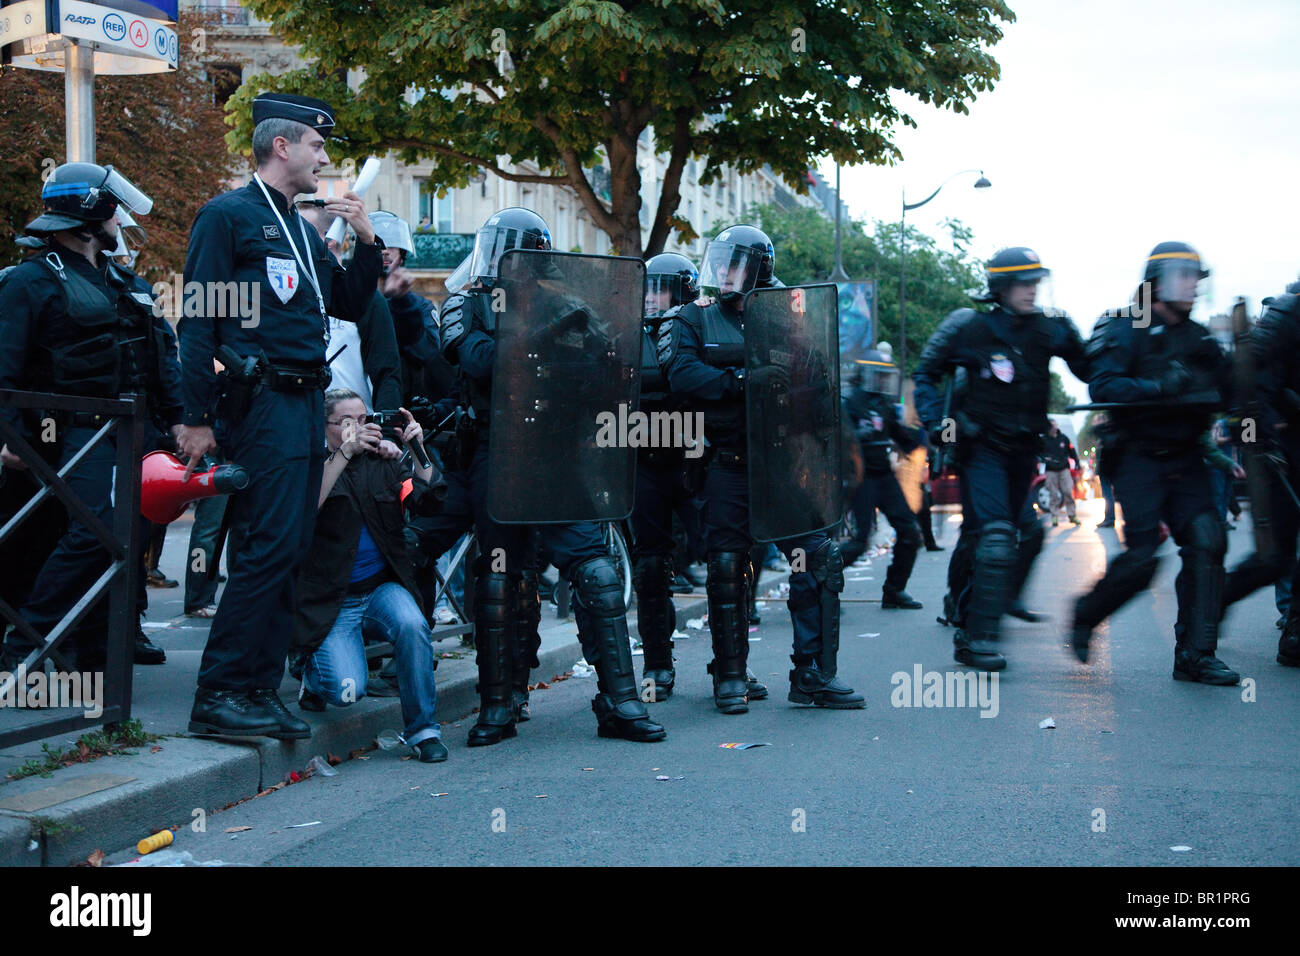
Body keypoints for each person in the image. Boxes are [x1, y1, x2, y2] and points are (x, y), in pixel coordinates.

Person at [176, 92, 385, 737]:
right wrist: (197, 416)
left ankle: (260, 689)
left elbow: (351, 300)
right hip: (260, 402)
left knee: (291, 546)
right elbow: (198, 322)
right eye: (317, 146)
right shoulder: (229, 217)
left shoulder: (299, 225)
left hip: (304, 402)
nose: (325, 158)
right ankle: (220, 695)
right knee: (266, 547)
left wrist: (365, 238)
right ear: (282, 147)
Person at [427, 207, 666, 745]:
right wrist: (546, 341)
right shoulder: (467, 303)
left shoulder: (570, 305)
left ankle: (621, 703)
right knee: (500, 578)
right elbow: (477, 360)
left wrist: (566, 344)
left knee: (599, 575)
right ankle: (500, 703)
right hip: (498, 453)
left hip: (559, 451)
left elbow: (610, 369)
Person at [660, 224, 864, 711]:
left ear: (758, 269)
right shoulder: (693, 317)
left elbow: (817, 382)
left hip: (783, 465)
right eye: (722, 262)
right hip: (726, 464)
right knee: (729, 566)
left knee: (817, 559)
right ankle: (730, 676)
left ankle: (812, 674)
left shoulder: (786, 317)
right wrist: (744, 380)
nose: (724, 273)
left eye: (735, 264)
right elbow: (681, 374)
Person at [0, 163, 176, 672]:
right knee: (97, 531)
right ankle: (26, 643)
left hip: (134, 430)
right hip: (70, 430)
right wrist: (7, 434)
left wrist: (184, 423)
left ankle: (91, 653)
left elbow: (162, 361)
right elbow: (5, 369)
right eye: (112, 211)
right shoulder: (29, 282)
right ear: (87, 217)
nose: (120, 220)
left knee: (124, 541)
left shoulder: (124, 281)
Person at [1070, 242, 1238, 684]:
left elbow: (1234, 392)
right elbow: (1103, 386)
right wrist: (1158, 387)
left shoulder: (1198, 336)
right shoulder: (1127, 325)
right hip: (1138, 455)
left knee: (1207, 541)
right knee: (1143, 558)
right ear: (1158, 282)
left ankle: (1196, 655)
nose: (1193, 286)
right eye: (1184, 276)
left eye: (1196, 277)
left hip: (1186, 456)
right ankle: (1086, 614)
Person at [913, 246, 1088, 671]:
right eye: (1022, 283)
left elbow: (1091, 370)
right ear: (1000, 287)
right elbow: (925, 374)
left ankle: (983, 600)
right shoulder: (970, 327)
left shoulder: (1048, 329)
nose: (1031, 290)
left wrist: (1094, 336)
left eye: (1034, 282)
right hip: (982, 449)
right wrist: (940, 424)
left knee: (1021, 536)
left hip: (1023, 452)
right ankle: (975, 638)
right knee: (993, 539)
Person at [290, 390, 448, 761]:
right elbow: (306, 507)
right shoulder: (312, 463)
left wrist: (415, 449)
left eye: (364, 419)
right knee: (347, 692)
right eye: (348, 422)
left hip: (379, 588)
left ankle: (423, 731)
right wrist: (345, 452)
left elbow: (428, 499)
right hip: (333, 599)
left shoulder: (384, 462)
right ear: (325, 426)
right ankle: (310, 672)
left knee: (412, 625)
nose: (360, 429)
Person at [1218, 286, 1300, 667]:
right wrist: (1259, 442)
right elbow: (1244, 387)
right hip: (1280, 449)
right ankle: (1215, 600)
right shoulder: (1287, 316)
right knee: (1274, 556)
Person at [840, 349, 925, 608]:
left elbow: (904, 439)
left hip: (885, 477)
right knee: (859, 541)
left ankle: (894, 590)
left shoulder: (884, 406)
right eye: (878, 375)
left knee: (910, 532)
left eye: (885, 376)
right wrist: (857, 437)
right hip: (861, 478)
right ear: (866, 374)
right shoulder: (850, 404)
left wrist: (931, 433)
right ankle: (821, 587)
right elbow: (841, 439)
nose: (882, 381)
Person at [1040, 420, 1080, 526]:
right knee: (1053, 495)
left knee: (1068, 492)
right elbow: (1039, 453)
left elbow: (1072, 451)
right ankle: (1054, 517)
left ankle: (1072, 515)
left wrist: (1077, 462)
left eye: (1054, 425)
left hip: (1064, 469)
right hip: (1050, 470)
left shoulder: (1063, 438)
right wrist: (1045, 459)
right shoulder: (1043, 439)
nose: (1053, 427)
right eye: (1051, 425)